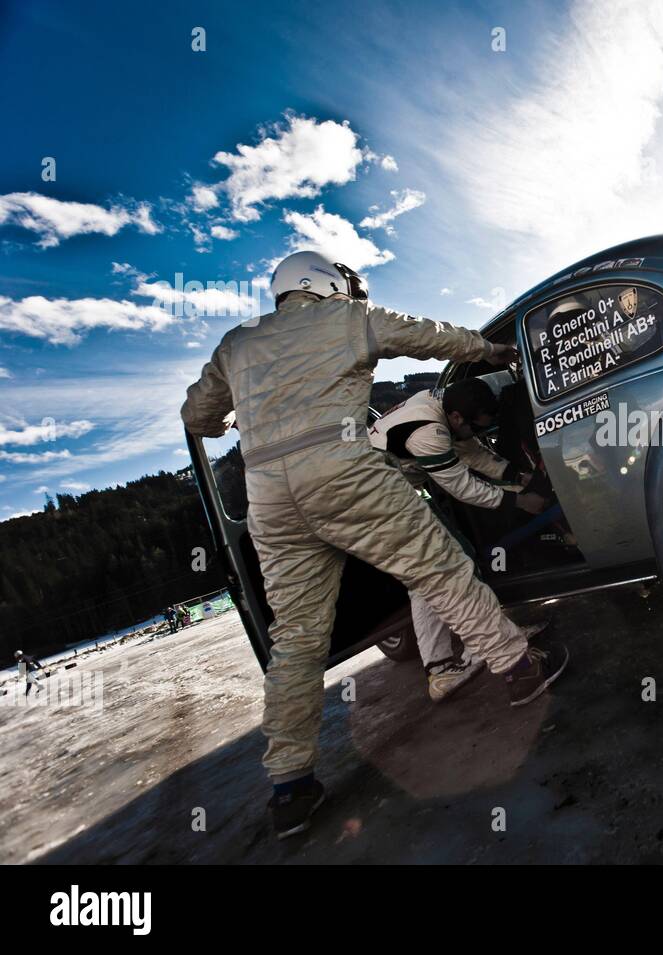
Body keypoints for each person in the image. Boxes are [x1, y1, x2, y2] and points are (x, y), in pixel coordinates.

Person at [181, 250, 569, 840]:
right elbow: (430, 337)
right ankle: (518, 668)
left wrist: (239, 420)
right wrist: (489, 352)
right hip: (342, 472)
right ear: (325, 283)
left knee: (297, 639)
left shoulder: (236, 345)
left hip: (270, 501)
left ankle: (289, 786)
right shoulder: (346, 320)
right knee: (440, 569)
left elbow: (196, 416)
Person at [368, 377, 548, 703]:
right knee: (445, 566)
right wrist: (519, 500)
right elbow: (462, 487)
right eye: (474, 427)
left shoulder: (446, 408)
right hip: (378, 499)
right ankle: (458, 660)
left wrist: (521, 477)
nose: (478, 433)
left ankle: (456, 658)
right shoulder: (428, 432)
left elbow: (474, 454)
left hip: (393, 490)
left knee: (436, 571)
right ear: (456, 419)